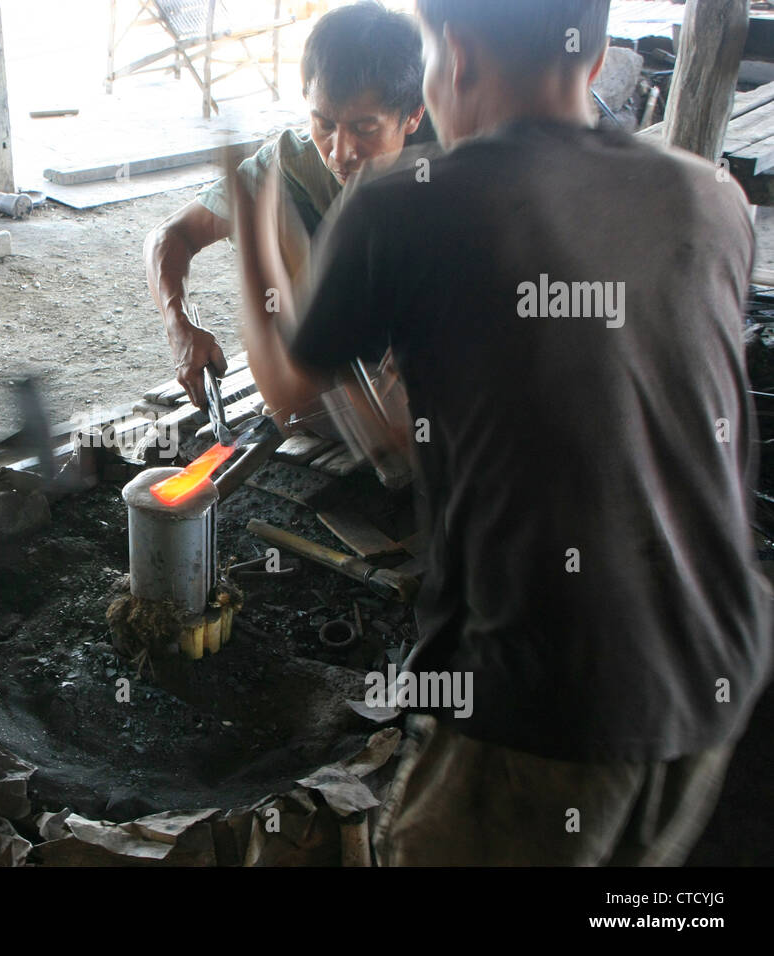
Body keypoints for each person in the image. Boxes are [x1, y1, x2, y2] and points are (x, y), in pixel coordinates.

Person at [234, 0, 773, 865]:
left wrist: (252, 212)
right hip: (723, 673)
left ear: (456, 61)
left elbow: (289, 388)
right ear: (595, 60)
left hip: (554, 701)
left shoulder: (403, 207)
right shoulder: (714, 197)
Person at [145, 1, 428, 410]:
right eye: (325, 125)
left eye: (365, 129)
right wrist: (179, 325)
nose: (340, 153)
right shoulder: (289, 166)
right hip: (343, 377)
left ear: (414, 116)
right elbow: (170, 235)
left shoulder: (453, 161)